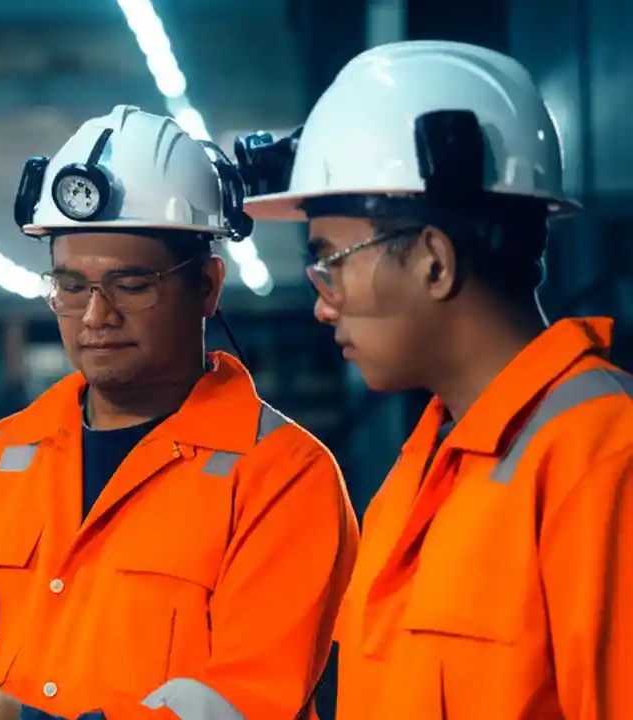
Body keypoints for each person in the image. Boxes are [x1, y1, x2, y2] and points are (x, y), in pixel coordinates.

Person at [0, 105, 359, 720]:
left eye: (131, 285)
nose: (96, 317)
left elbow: (245, 702)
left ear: (207, 287)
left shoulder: (282, 476)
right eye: (72, 287)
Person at [238, 40, 632, 719]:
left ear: (433, 261)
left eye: (332, 262)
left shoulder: (601, 456)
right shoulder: (418, 478)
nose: (322, 304)